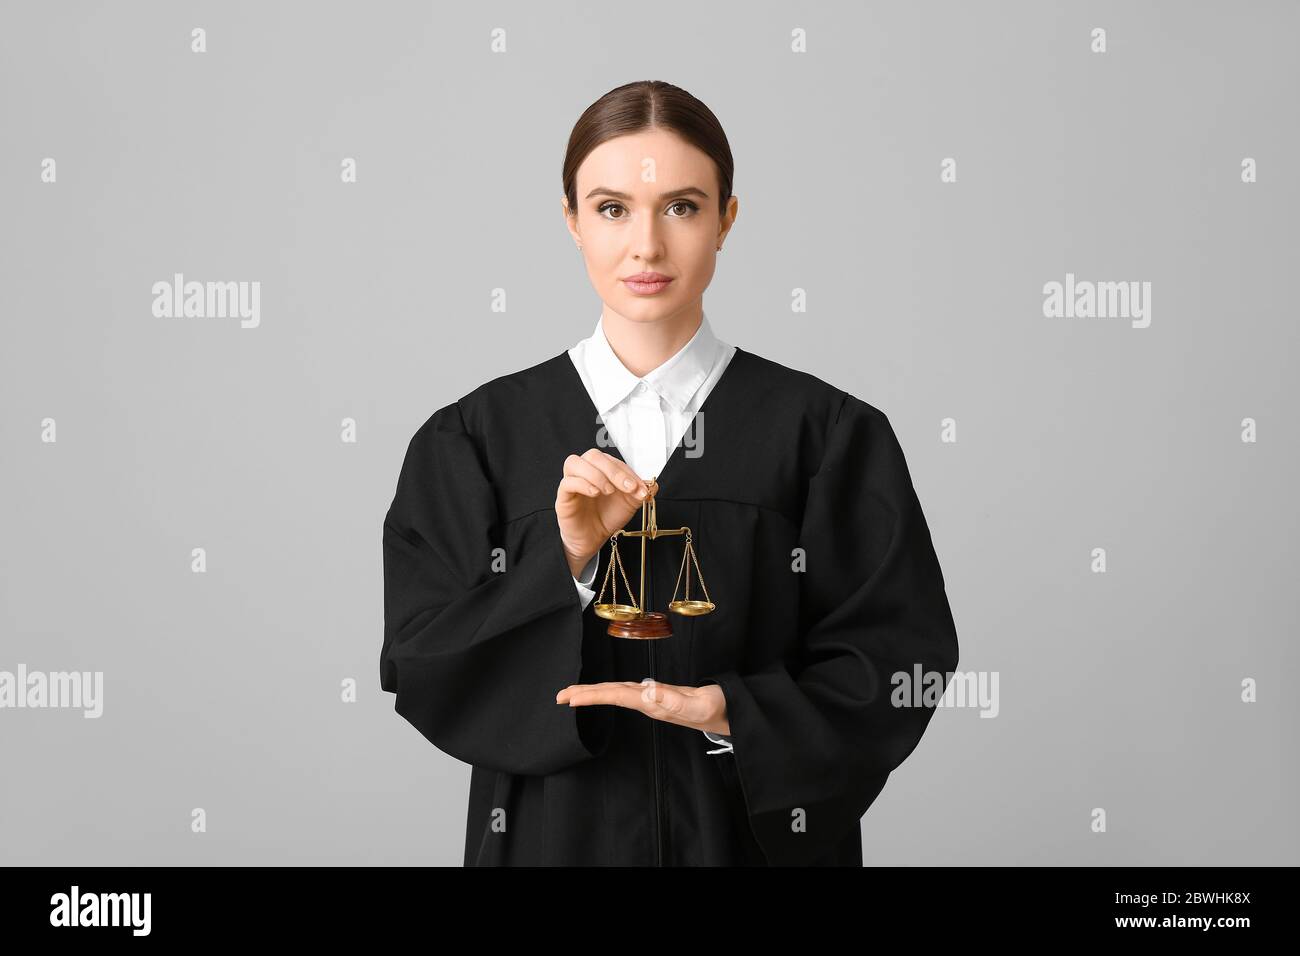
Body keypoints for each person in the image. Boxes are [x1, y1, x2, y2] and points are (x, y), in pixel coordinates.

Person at [380, 80, 960, 866]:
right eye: (611, 208)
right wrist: (568, 563)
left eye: (682, 206)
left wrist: (736, 714)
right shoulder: (475, 440)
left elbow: (899, 661)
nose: (646, 246)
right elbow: (424, 664)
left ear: (726, 218)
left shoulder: (826, 436)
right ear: (571, 222)